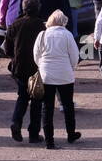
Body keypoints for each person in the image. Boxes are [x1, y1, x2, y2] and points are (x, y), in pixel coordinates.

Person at [31, 10, 81, 147]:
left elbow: (36, 55)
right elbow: (75, 55)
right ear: (63, 21)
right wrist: (71, 67)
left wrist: (42, 66)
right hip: (65, 74)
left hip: (46, 74)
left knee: (47, 108)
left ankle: (49, 141)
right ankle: (71, 134)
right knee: (68, 105)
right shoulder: (67, 35)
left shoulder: (42, 35)